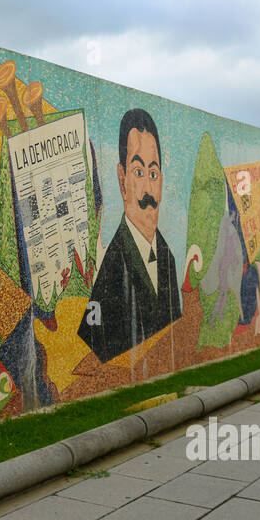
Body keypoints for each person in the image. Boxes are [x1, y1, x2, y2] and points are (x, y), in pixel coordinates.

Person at [78, 108, 182, 363]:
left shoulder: (166, 256)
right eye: (138, 172)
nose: (148, 189)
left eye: (153, 174)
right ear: (122, 179)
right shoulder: (112, 271)